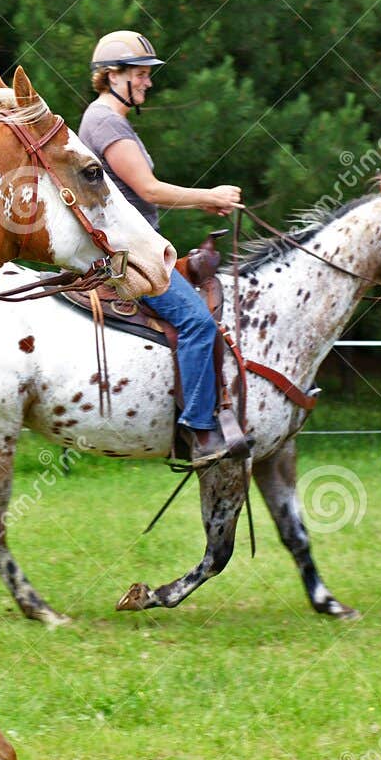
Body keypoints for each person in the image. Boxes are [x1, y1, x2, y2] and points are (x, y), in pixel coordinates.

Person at [77, 30, 249, 467]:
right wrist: (210, 196)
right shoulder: (105, 123)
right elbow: (149, 190)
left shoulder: (108, 122)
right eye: (140, 74)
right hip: (127, 256)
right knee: (197, 323)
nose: (148, 83)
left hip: (132, 248)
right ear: (111, 75)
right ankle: (199, 430)